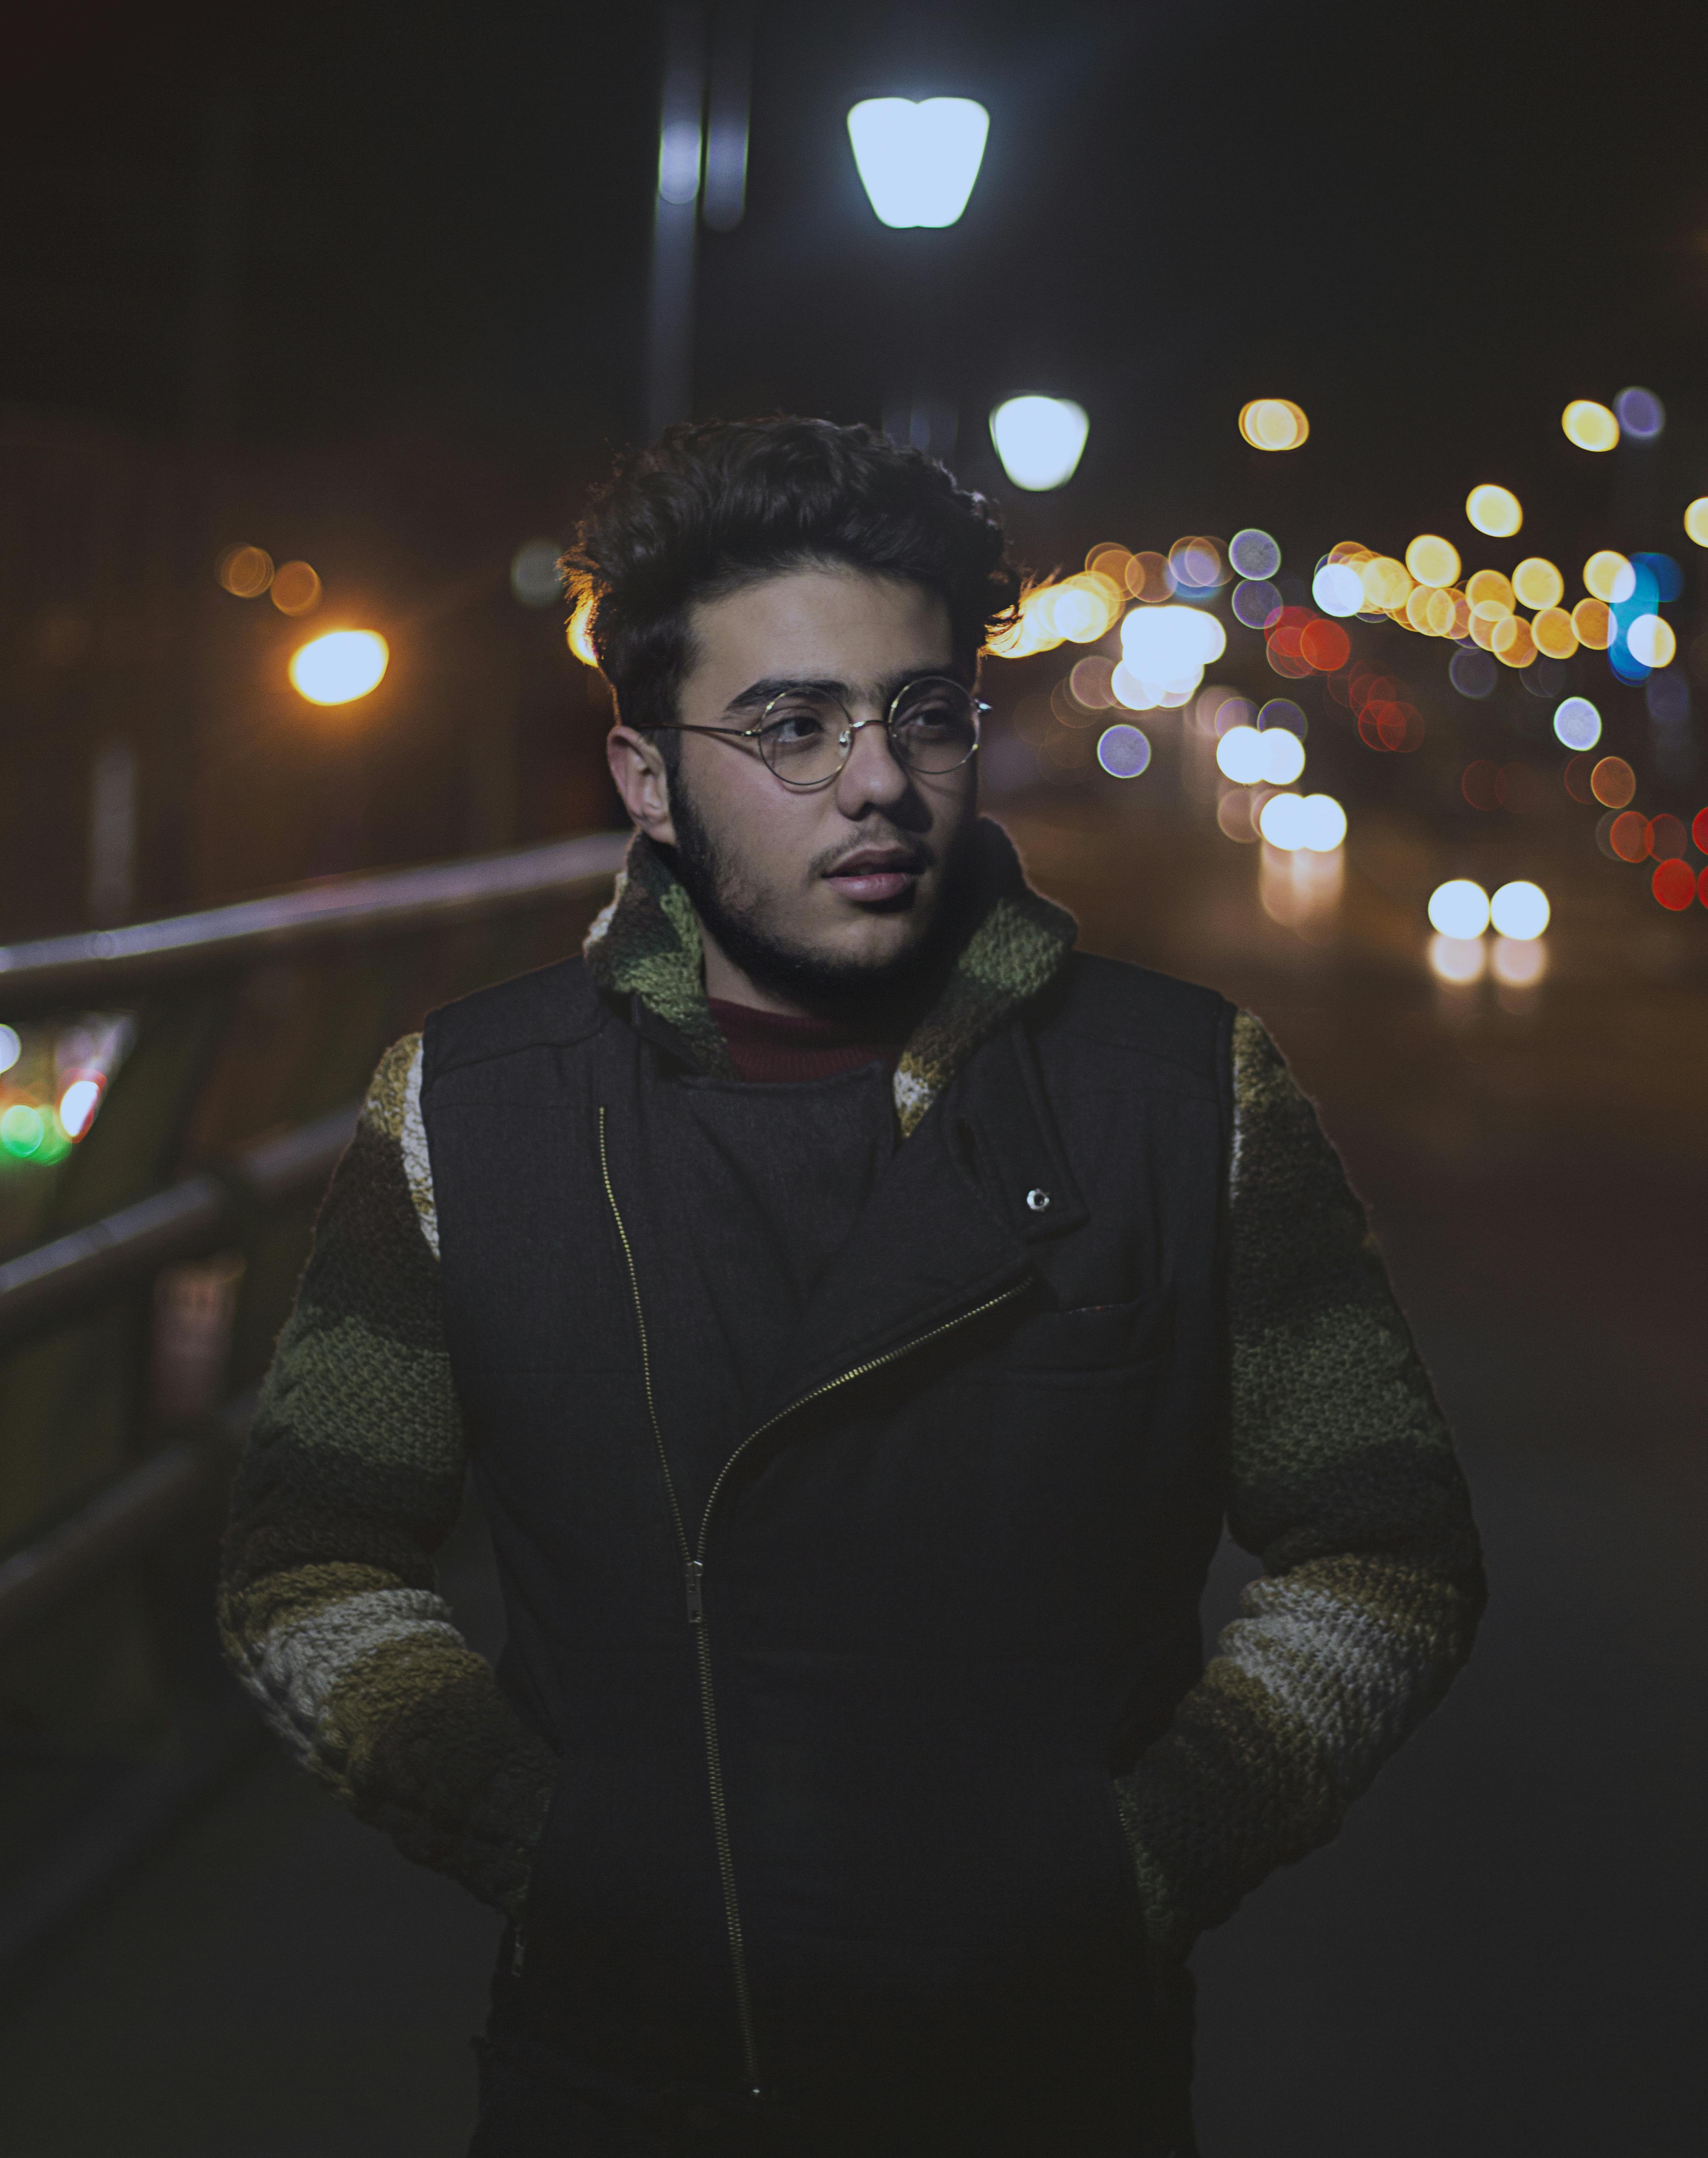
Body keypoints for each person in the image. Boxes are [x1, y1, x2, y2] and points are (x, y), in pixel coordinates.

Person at [219, 416, 1484, 2157]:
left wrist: (1144, 1855)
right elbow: (310, 1554)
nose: (876, 780)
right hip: (614, 2070)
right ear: (647, 775)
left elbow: (1385, 1537)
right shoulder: (468, 1108)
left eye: (924, 712)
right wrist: (544, 1840)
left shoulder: (1185, 1094)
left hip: (1052, 2081)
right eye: (793, 727)